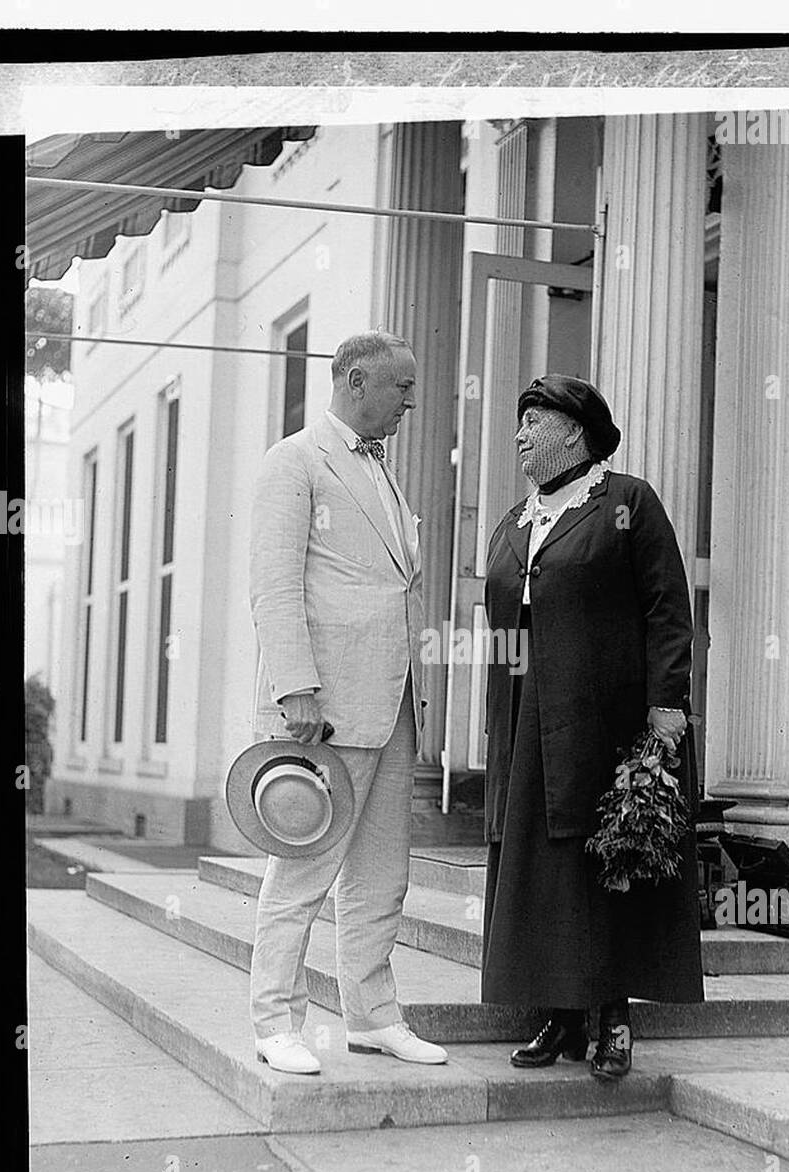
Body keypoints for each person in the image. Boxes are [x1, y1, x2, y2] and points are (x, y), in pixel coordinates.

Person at [481, 374, 704, 1081]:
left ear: (575, 431)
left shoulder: (626, 503)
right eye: (519, 423)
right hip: (529, 718)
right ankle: (561, 1014)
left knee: (600, 861)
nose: (519, 436)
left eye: (533, 422)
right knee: (544, 868)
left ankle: (612, 1017)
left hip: (605, 716)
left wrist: (667, 705)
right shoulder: (516, 521)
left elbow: (668, 608)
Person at [247, 331, 447, 1074]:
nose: (411, 402)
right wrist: (294, 687)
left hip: (390, 702)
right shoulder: (295, 460)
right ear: (357, 381)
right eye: (402, 387)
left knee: (382, 872)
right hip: (324, 707)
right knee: (305, 868)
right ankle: (275, 1022)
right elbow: (274, 583)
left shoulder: (383, 470)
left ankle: (372, 1016)